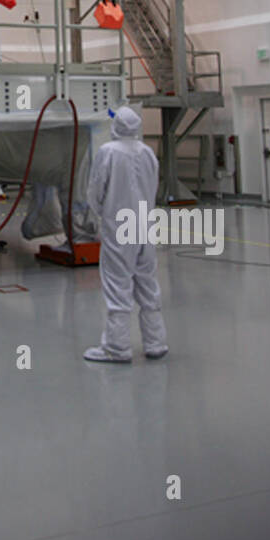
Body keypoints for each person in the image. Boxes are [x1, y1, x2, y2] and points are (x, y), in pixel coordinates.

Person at [83, 106, 168, 363]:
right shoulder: (148, 153)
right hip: (144, 224)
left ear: (116, 126)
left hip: (119, 226)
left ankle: (117, 348)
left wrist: (103, 214)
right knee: (147, 283)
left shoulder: (108, 152)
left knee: (117, 284)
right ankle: (156, 343)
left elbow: (95, 191)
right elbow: (153, 187)